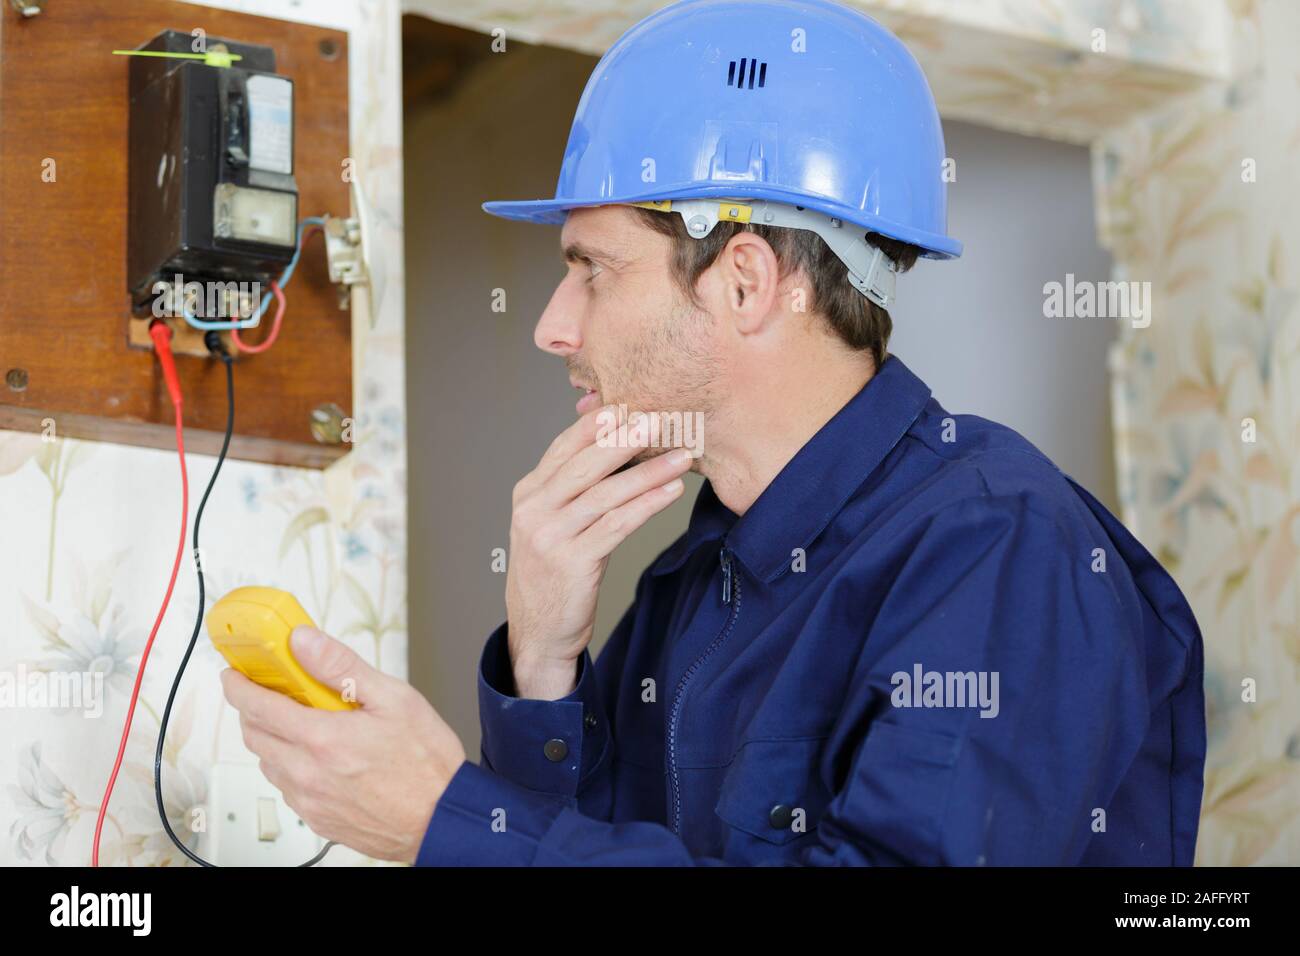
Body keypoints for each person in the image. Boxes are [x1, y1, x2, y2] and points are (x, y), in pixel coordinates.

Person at [222, 0, 1206, 866]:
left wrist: (447, 815)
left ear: (742, 281)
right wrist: (543, 662)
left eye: (592, 267)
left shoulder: (997, 545)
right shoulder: (687, 587)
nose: (552, 325)